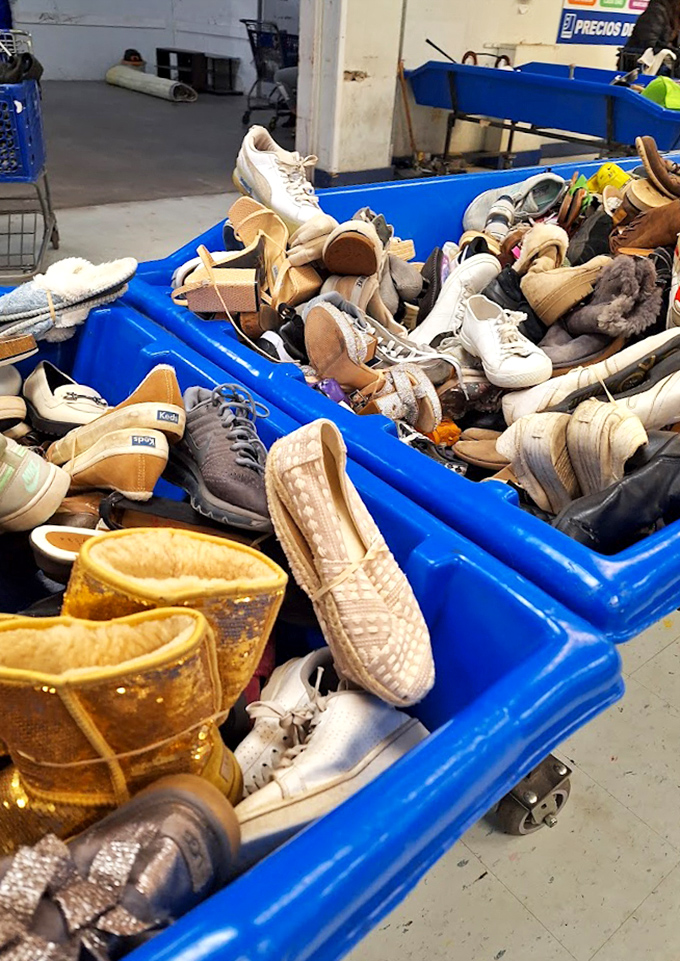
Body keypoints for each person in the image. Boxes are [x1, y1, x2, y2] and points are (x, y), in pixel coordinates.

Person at [619, 0, 680, 74]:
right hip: (639, 66)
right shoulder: (655, 11)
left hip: (663, 66)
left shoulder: (673, 15)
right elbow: (649, 45)